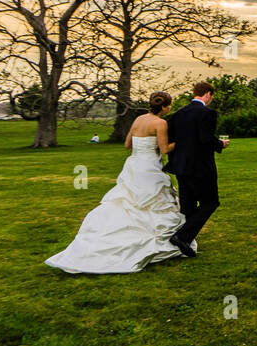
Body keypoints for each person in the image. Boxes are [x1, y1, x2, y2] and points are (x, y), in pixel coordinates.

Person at [46, 92, 192, 274]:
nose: (170, 108)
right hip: (150, 167)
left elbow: (127, 145)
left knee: (129, 201)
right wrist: (180, 142)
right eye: (169, 105)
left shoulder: (138, 119)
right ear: (164, 107)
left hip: (134, 164)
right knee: (152, 200)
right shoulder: (160, 123)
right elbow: (164, 149)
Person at [164, 81, 228, 258]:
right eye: (211, 96)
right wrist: (220, 144)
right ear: (207, 94)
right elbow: (206, 139)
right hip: (200, 167)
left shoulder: (177, 115)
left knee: (188, 207)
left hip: (180, 166)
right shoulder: (207, 113)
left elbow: (173, 140)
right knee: (210, 202)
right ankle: (181, 237)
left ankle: (186, 245)